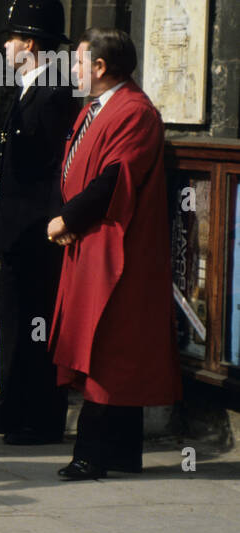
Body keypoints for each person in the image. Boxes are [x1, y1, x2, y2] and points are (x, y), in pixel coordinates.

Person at [48, 29, 181, 479]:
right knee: (100, 343)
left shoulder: (135, 112)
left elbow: (113, 177)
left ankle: (92, 454)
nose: (75, 72)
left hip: (116, 246)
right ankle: (122, 453)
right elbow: (71, 168)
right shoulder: (96, 109)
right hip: (90, 240)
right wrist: (67, 215)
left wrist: (69, 219)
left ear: (101, 67)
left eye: (81, 63)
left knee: (109, 346)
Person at [0, 0, 78, 443]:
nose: (4, 47)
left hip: (35, 233)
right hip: (18, 227)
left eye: (10, 38)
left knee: (35, 327)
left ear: (29, 44)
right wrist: (1, 183)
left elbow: (55, 171)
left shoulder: (53, 93)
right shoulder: (33, 87)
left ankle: (40, 418)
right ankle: (10, 408)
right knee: (15, 323)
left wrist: (47, 222)